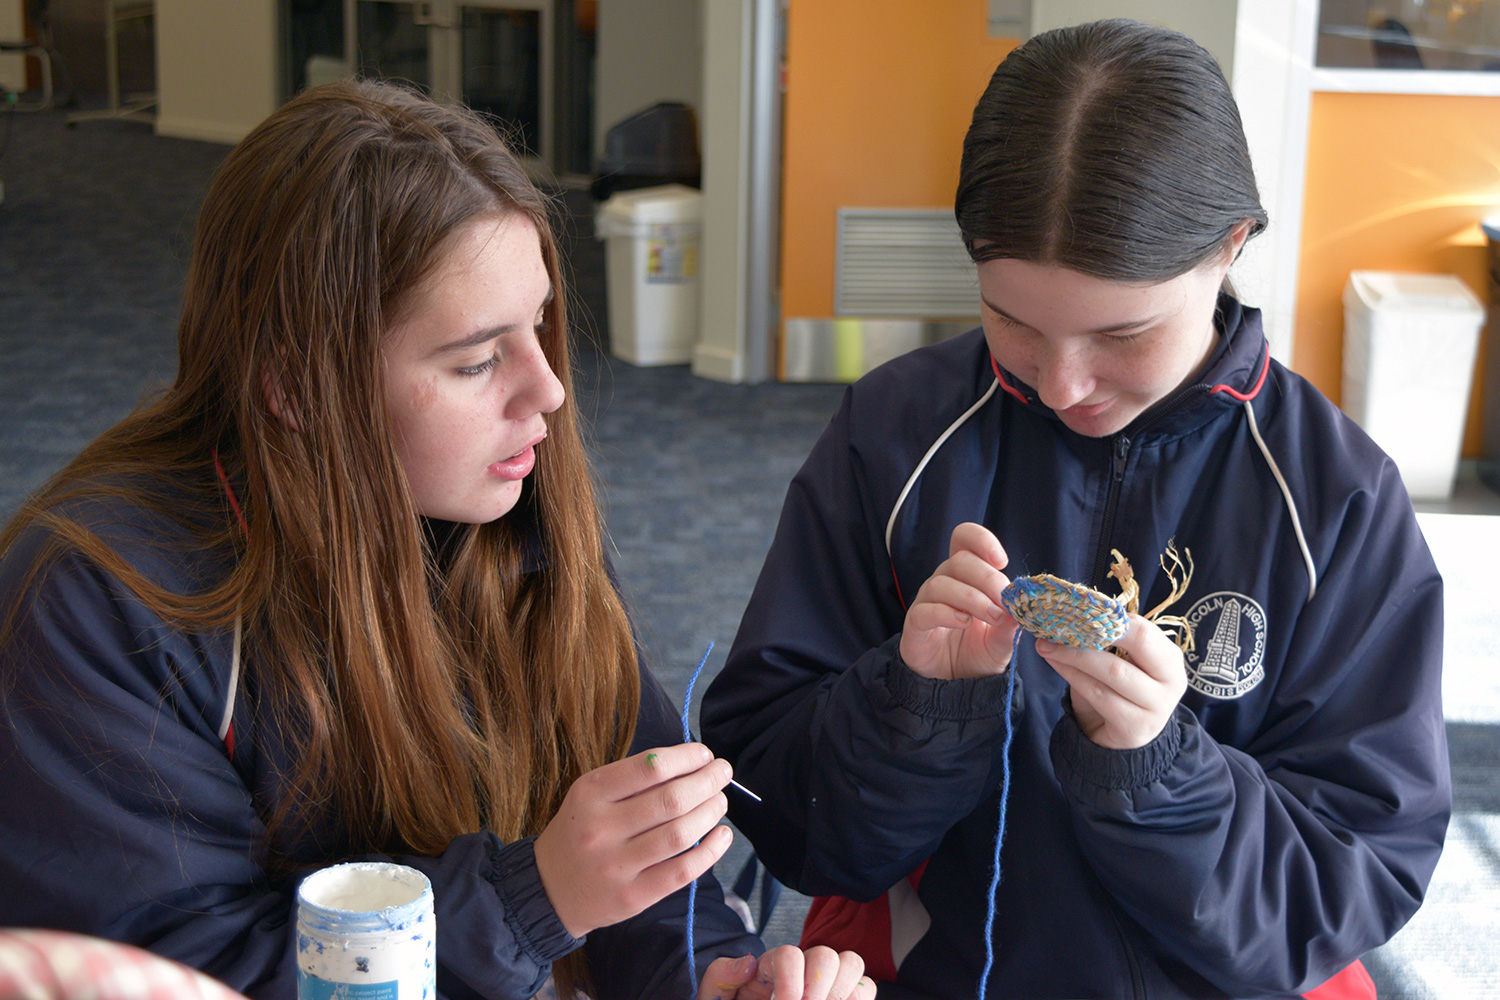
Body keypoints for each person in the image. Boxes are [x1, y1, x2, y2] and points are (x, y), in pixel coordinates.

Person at [0, 80, 872, 1000]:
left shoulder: (508, 508)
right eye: (475, 360)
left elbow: (631, 851)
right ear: (295, 388)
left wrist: (707, 977)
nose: (549, 391)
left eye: (538, 325)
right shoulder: (96, 606)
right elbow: (164, 974)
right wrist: (533, 900)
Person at [701, 19, 1449, 1000]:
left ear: (1230, 247)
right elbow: (778, 808)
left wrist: (1158, 768)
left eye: (1121, 331)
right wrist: (916, 704)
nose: (1061, 383)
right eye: (1010, 319)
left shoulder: (1332, 498)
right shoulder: (895, 435)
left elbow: (1356, 872)